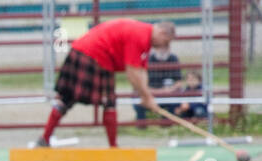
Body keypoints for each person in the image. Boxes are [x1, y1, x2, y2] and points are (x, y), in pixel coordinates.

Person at [37, 19, 175, 149]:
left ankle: (45, 138)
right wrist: (147, 98)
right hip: (94, 55)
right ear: (162, 32)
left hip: (90, 53)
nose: (164, 46)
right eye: (166, 42)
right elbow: (132, 72)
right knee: (104, 101)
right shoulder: (140, 35)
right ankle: (113, 147)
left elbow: (141, 72)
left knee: (69, 100)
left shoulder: (144, 37)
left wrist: (147, 97)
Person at [132, 45, 180, 125]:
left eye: (165, 46)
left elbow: (179, 81)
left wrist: (170, 90)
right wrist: (158, 91)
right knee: (138, 100)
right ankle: (142, 124)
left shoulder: (173, 58)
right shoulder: (148, 60)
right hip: (150, 92)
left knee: (174, 100)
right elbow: (140, 83)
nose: (163, 49)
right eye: (161, 47)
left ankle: (166, 123)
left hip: (168, 93)